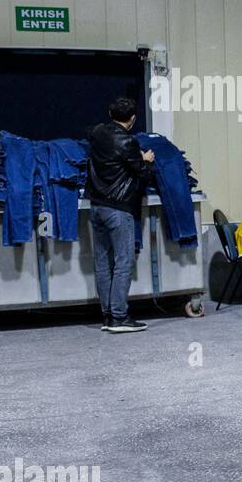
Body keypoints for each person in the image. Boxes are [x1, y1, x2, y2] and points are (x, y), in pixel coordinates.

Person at [87, 97, 155, 333]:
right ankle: (119, 317)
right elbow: (143, 174)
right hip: (119, 209)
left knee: (102, 263)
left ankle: (107, 316)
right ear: (133, 119)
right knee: (123, 262)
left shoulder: (96, 133)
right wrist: (146, 160)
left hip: (96, 207)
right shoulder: (128, 142)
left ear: (109, 113)